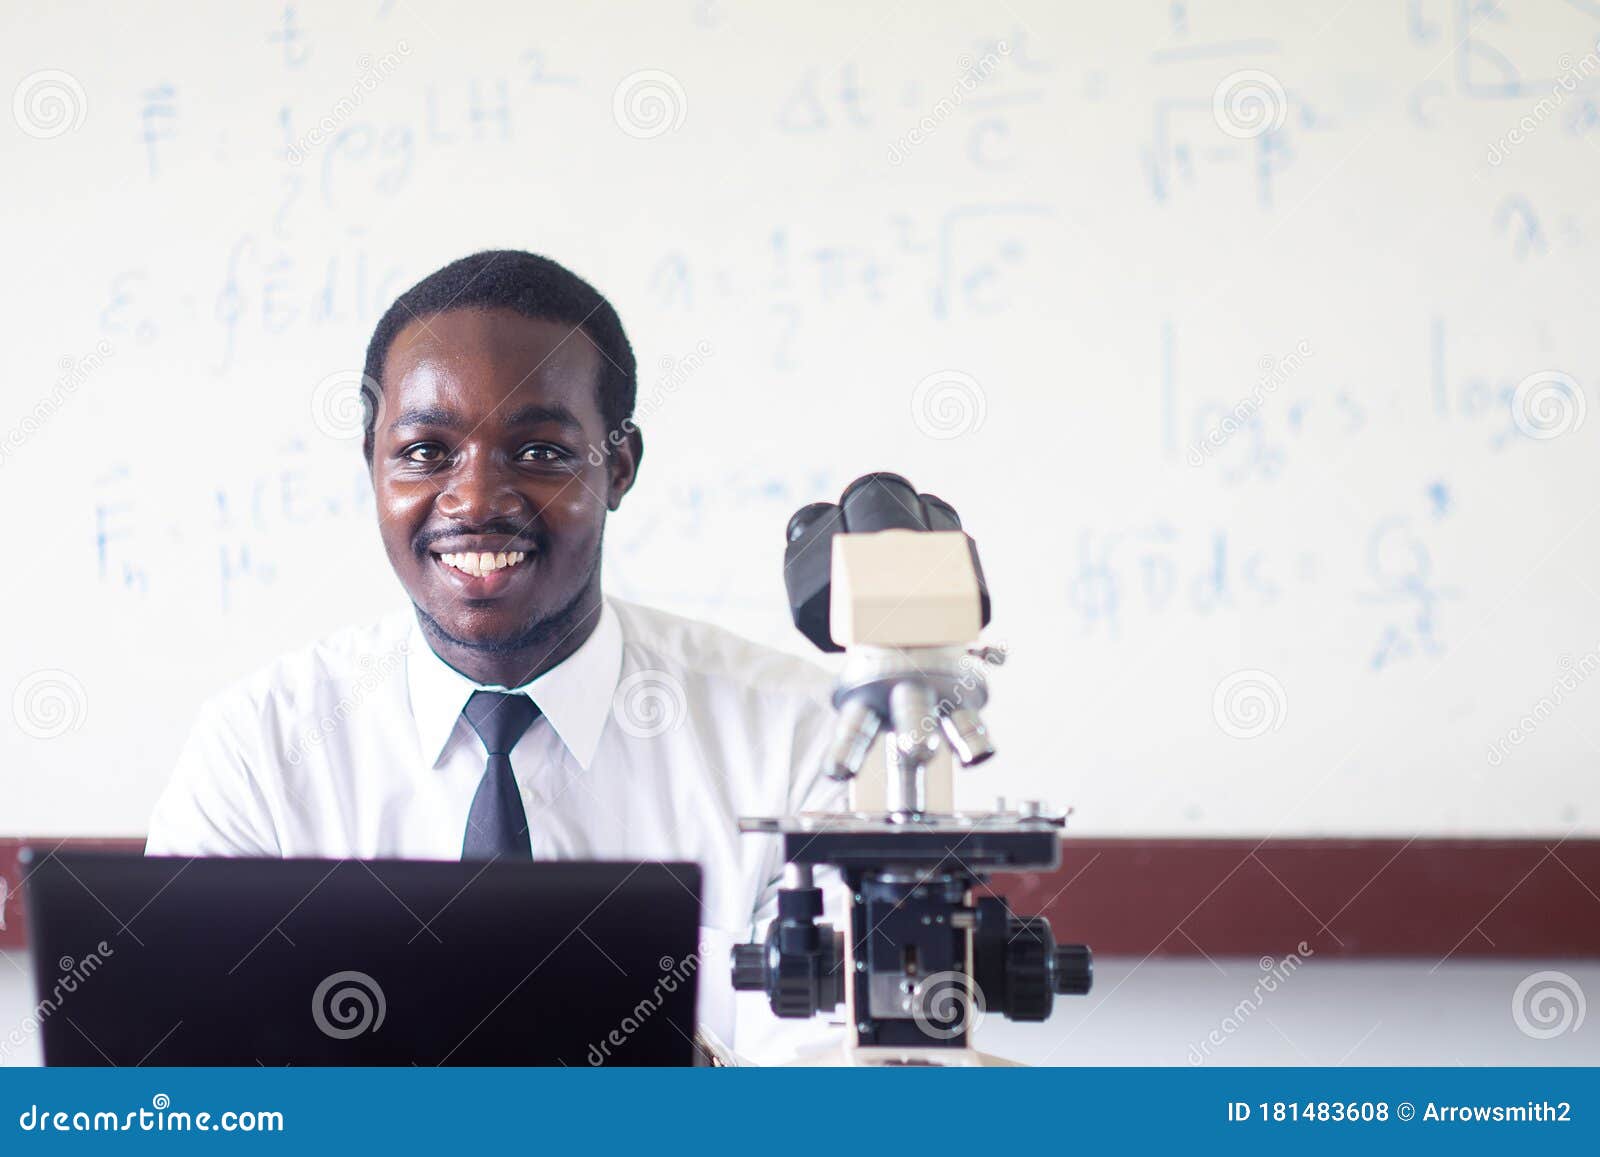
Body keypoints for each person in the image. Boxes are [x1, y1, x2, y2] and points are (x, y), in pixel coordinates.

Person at [147, 249, 843, 1061]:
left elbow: (848, 1099)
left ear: (617, 467)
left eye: (541, 451)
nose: (475, 501)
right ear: (372, 464)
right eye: (424, 452)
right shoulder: (259, 750)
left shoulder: (803, 738)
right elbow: (181, 1090)